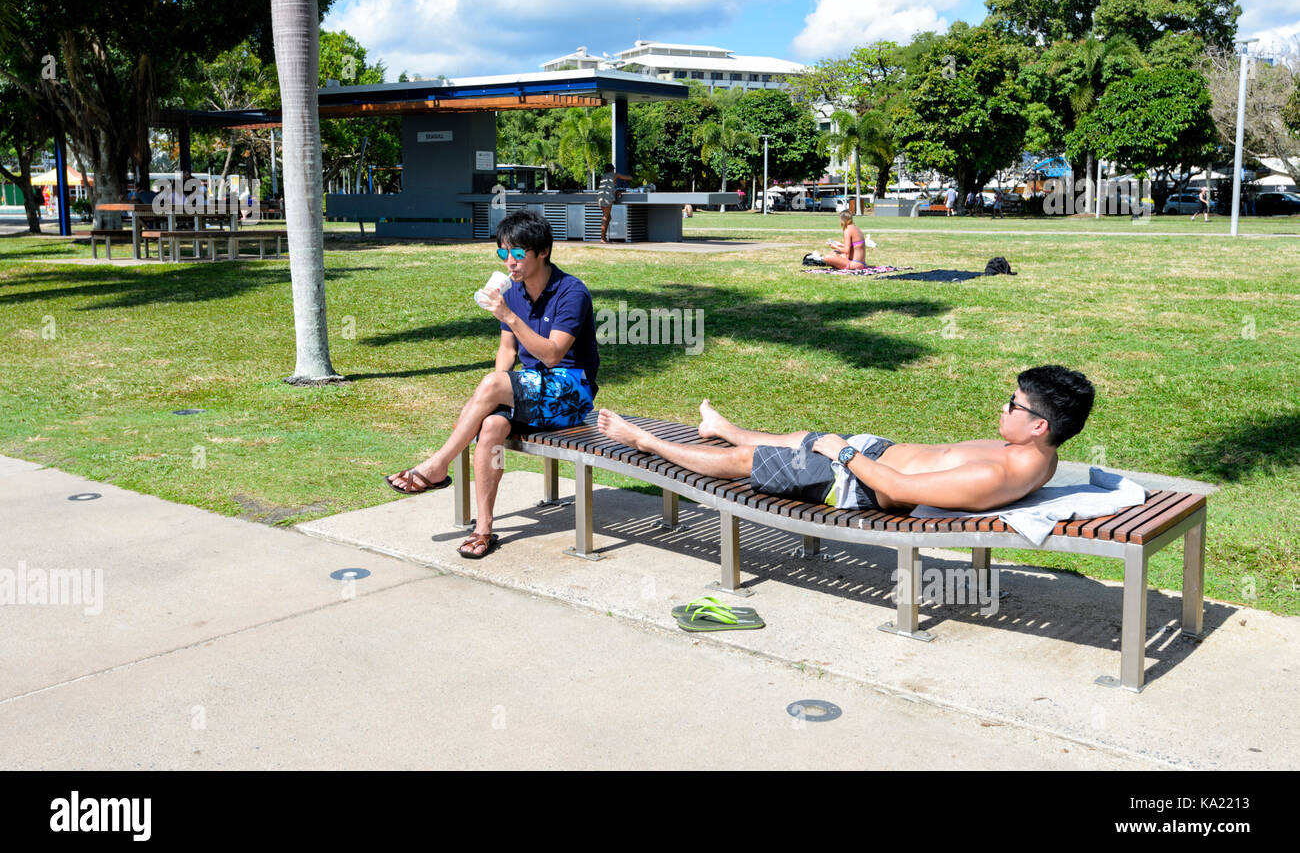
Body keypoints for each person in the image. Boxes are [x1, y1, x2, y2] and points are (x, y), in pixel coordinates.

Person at [385, 208, 600, 559]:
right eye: (503, 252)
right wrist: (497, 393)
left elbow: (552, 355)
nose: (509, 262)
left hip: (572, 392)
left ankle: (437, 466)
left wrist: (508, 319)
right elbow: (507, 351)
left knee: (492, 387)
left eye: (518, 253)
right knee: (490, 426)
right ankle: (484, 529)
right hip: (530, 390)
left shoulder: (571, 292)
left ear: (543, 251)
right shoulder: (512, 292)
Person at [597, 365, 1094, 515]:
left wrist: (845, 452)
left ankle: (645, 442)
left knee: (748, 461)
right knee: (801, 436)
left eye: (1013, 405)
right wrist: (848, 447)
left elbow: (899, 489)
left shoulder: (995, 473)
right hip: (872, 454)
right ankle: (722, 429)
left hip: (853, 482)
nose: (1003, 408)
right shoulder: (1041, 455)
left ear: (1039, 426)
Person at [596, 163, 632, 243]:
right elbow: (628, 178)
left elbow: (609, 187)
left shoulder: (603, 176)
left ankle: (604, 238)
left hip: (600, 197)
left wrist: (616, 192)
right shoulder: (615, 175)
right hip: (607, 197)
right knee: (605, 217)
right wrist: (633, 176)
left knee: (608, 217)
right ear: (612, 169)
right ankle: (602, 239)